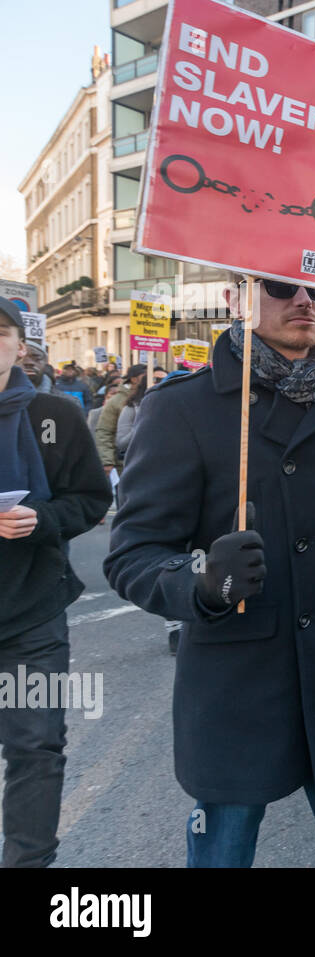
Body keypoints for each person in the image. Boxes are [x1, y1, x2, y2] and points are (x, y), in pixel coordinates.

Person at [104, 277, 315, 868]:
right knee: (221, 858)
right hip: (239, 684)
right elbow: (131, 554)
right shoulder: (181, 408)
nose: (304, 301)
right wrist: (201, 578)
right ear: (235, 298)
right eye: (279, 286)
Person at [0, 296, 112, 866]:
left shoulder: (57, 416)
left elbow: (94, 499)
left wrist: (42, 519)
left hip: (33, 616)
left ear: (21, 346)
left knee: (37, 748)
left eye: (0, 332)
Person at [94, 365, 146, 478]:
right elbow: (104, 431)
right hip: (122, 462)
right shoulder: (116, 401)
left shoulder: (151, 397)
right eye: (145, 376)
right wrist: (107, 461)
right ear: (134, 379)